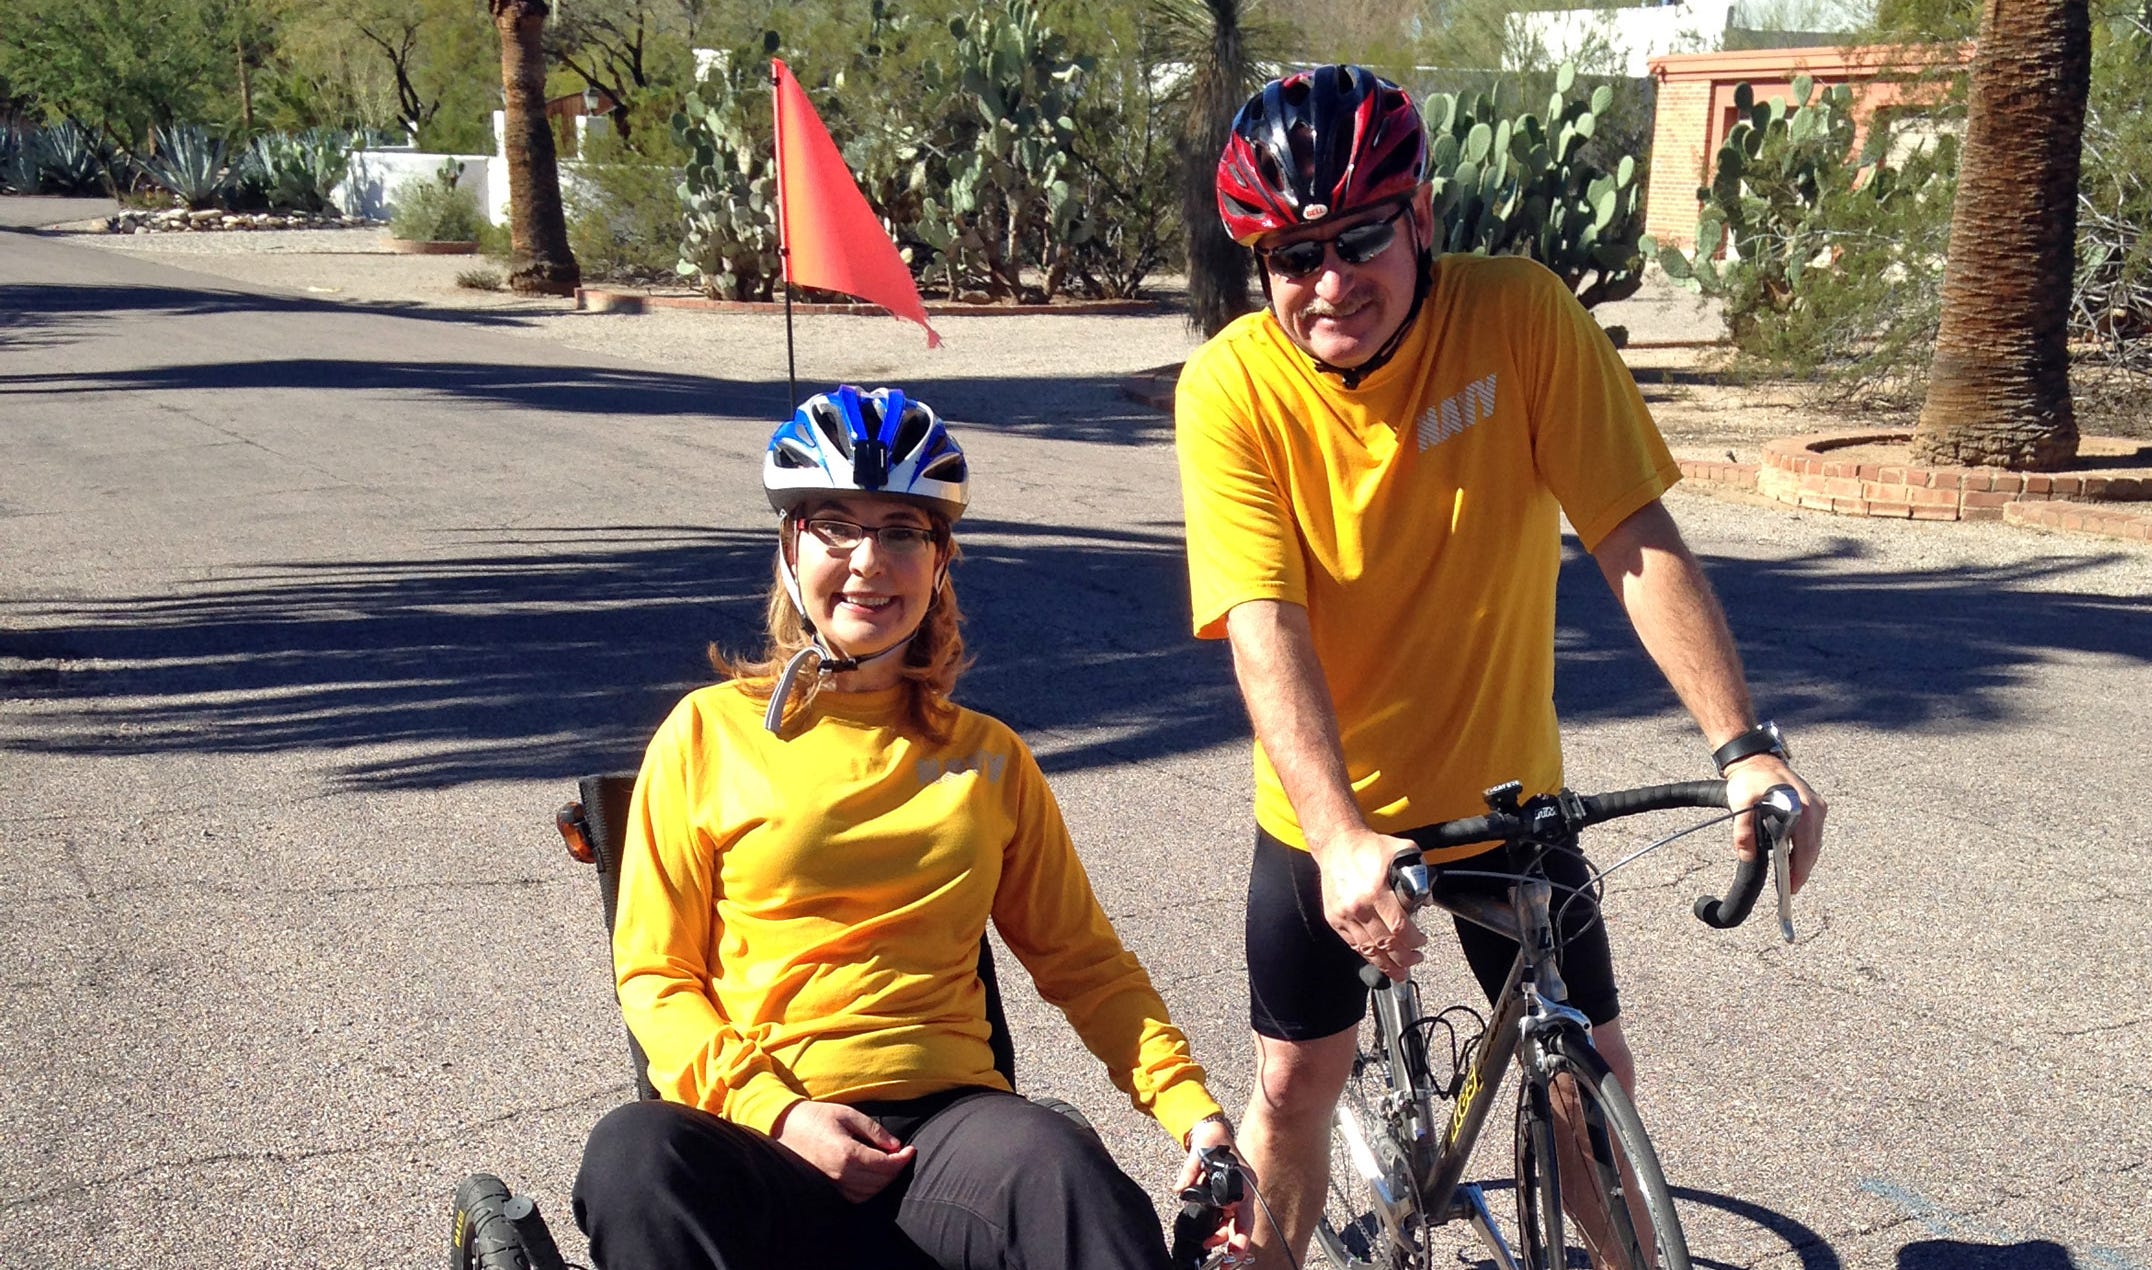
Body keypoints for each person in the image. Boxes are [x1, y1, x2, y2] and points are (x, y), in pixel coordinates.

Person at [1174, 65, 1830, 1264]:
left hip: (1507, 805)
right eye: (1289, 256)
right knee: (1295, 1082)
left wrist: (1745, 747)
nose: (1328, 282)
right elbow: (1265, 621)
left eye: (1359, 237)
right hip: (1335, 821)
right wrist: (1335, 837)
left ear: (1420, 218)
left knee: (1591, 1084)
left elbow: (1633, 534)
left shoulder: (1522, 315)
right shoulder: (1231, 388)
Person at [573, 385, 1249, 1270]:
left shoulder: (989, 757)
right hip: (760, 1130)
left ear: (939, 562)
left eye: (901, 530)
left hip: (945, 1137)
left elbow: (1083, 963)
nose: (868, 561)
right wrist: (780, 1113)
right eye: (833, 525)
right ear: (789, 549)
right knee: (634, 1156)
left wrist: (1195, 1117)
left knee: (1064, 1172)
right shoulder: (706, 733)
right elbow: (657, 977)